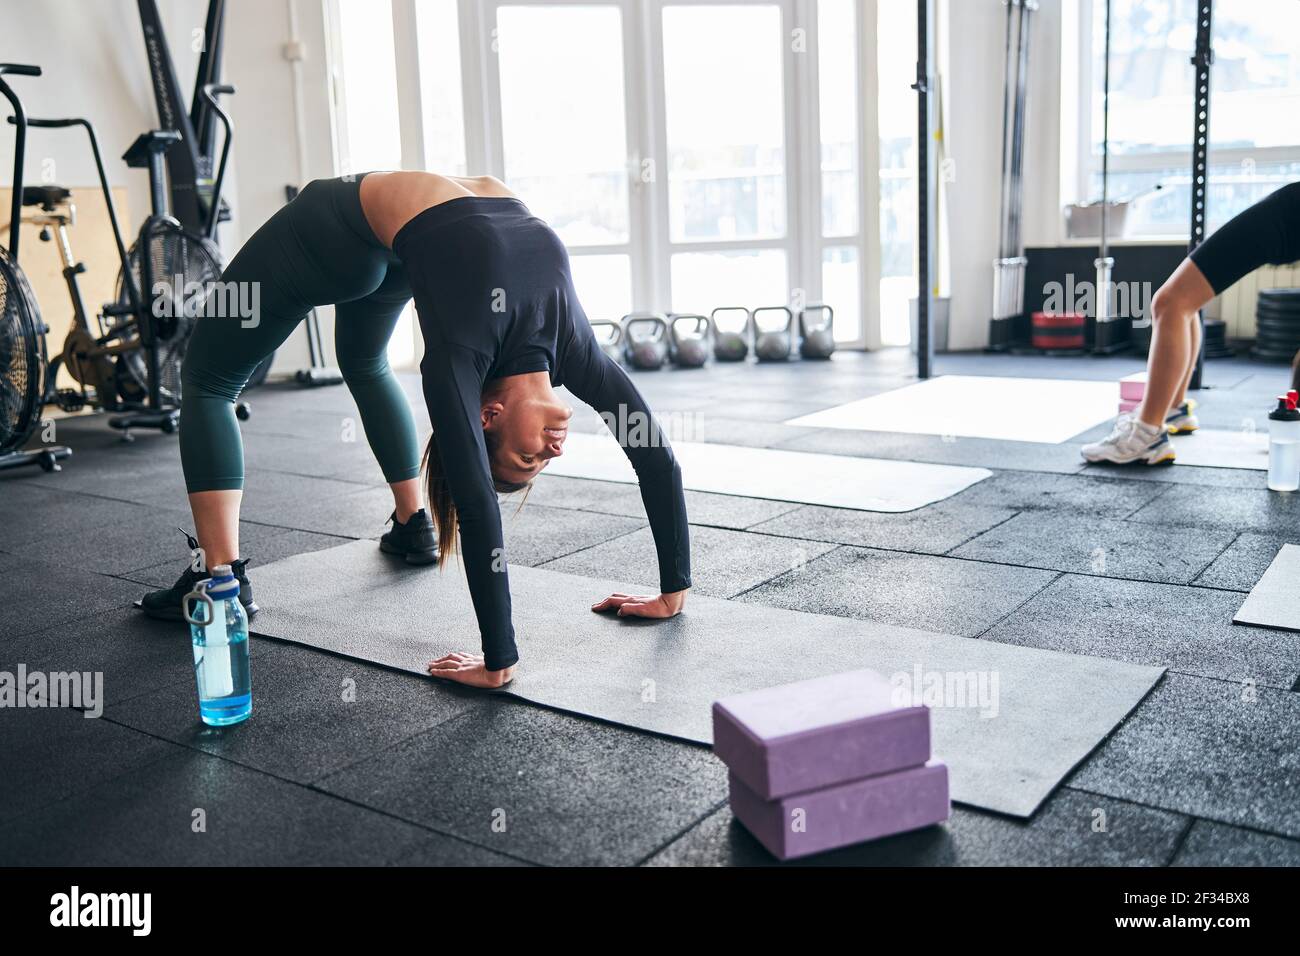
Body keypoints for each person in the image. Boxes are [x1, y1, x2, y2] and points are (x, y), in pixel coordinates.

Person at [140, 171, 692, 688]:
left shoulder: (460, 357)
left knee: (209, 379)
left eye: (528, 460)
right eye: (538, 465)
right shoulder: (574, 352)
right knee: (363, 360)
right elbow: (655, 456)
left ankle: (221, 581)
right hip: (399, 246)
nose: (552, 454)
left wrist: (499, 662)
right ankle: (408, 525)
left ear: (487, 417)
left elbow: (476, 505)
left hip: (331, 229)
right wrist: (674, 592)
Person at [1083, 181, 1300, 465]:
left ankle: (1145, 434)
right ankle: (1172, 407)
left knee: (1171, 302)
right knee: (1185, 301)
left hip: (1291, 212)